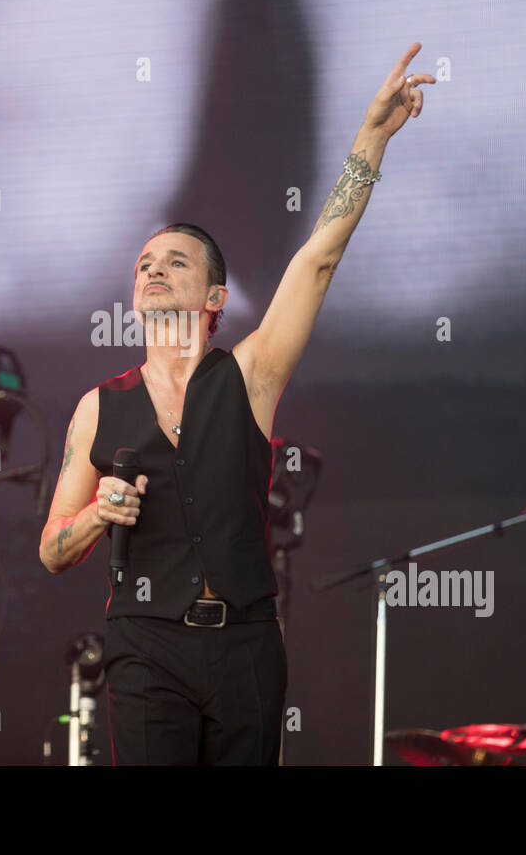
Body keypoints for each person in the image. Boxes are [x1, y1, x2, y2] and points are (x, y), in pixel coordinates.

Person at [39, 44, 433, 764]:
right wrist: (99, 513)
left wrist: (371, 138)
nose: (154, 269)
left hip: (245, 647)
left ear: (215, 298)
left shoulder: (248, 376)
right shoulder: (98, 407)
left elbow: (318, 258)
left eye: (175, 262)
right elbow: (52, 548)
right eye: (144, 265)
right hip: (144, 646)